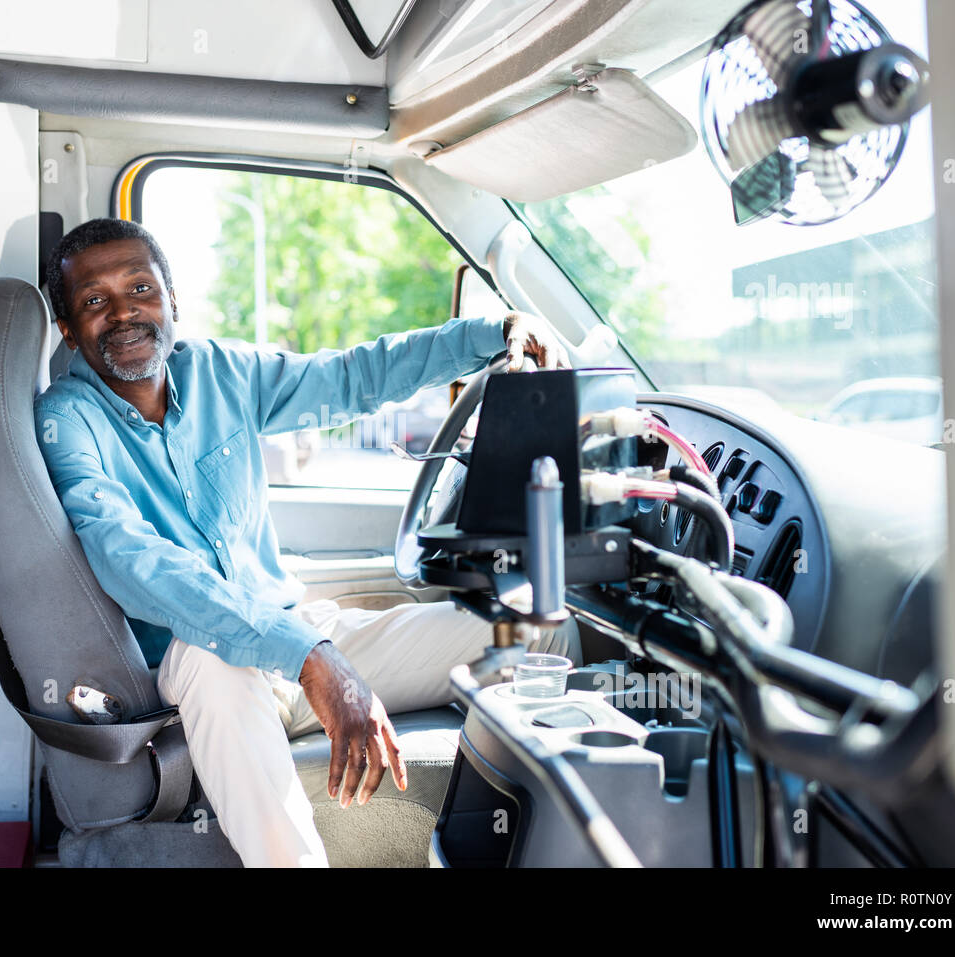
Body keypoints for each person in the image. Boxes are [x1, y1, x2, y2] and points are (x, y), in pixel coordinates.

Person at [34, 217, 569, 866]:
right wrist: (310, 656)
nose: (123, 313)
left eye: (140, 288)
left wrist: (493, 335)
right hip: (195, 660)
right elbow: (127, 554)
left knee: (536, 630)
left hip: (297, 629)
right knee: (213, 661)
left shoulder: (220, 372)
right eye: (94, 301)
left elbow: (353, 378)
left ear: (174, 302)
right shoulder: (67, 417)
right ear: (67, 327)